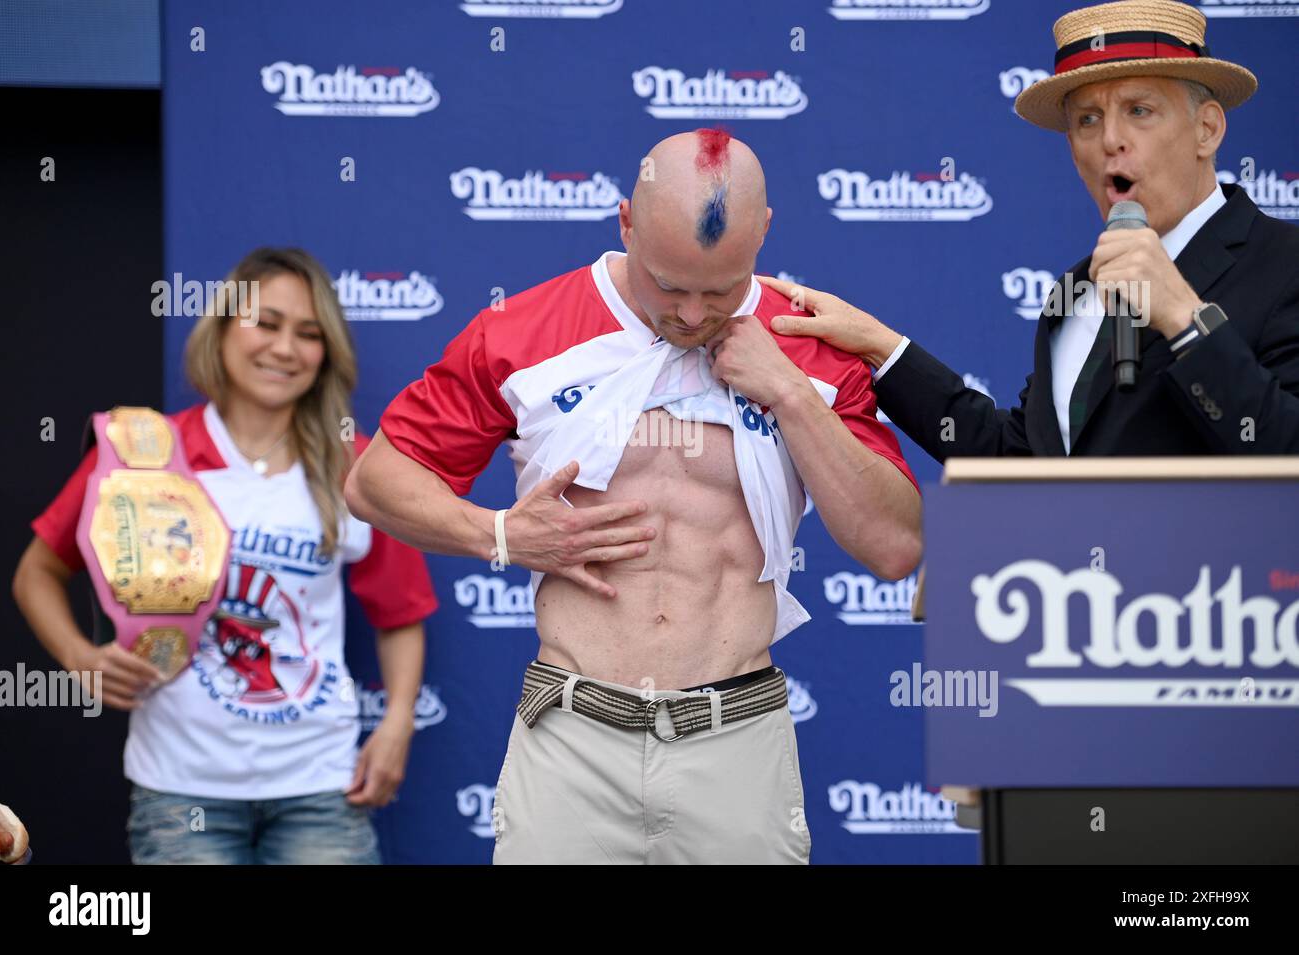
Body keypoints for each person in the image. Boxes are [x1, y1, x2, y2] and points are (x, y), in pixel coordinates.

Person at [346, 128, 922, 865]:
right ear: (625, 224)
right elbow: (377, 479)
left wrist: (787, 391)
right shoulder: (525, 330)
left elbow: (895, 545)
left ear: (765, 233)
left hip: (734, 737)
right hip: (572, 731)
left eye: (718, 291)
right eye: (668, 285)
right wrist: (499, 534)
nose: (689, 315)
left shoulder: (809, 345)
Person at [13, 247, 438, 864]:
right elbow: (36, 573)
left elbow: (400, 612)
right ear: (222, 328)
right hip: (181, 791)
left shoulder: (355, 466)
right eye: (266, 323)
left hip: (320, 786)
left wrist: (397, 721)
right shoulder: (146, 453)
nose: (285, 349)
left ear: (327, 353)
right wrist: (80, 657)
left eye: (308, 334)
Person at [760, 0, 1299, 459]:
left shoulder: (1284, 262)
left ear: (1207, 129)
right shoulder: (1075, 289)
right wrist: (881, 348)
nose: (1111, 138)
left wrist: (1186, 321)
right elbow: (1020, 459)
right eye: (1087, 119)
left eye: (1139, 110)